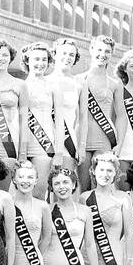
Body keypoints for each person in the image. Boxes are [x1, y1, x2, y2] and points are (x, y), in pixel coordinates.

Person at [77, 35, 123, 191]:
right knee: (83, 186)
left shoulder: (115, 84)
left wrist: (119, 144)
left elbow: (122, 117)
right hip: (82, 137)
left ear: (111, 54)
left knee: (101, 185)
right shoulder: (78, 80)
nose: (103, 54)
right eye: (99, 50)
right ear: (91, 50)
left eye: (107, 51)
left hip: (104, 137)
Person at [0, 39, 24, 187]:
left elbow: (23, 120)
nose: (0, 58)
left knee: (3, 189)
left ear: (11, 58)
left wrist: (23, 152)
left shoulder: (20, 84)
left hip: (8, 139)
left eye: (4, 55)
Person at [22, 41, 58, 197]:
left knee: (39, 190)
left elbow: (59, 120)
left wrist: (59, 151)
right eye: (36, 59)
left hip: (44, 143)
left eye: (44, 59)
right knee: (19, 189)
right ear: (27, 61)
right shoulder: (20, 85)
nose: (40, 63)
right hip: (21, 144)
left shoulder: (53, 86)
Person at [48, 37, 82, 179]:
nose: (67, 58)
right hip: (45, 139)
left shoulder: (78, 84)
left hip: (69, 142)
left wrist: (81, 146)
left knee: (65, 186)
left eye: (71, 55)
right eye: (64, 53)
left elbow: (81, 119)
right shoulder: (45, 81)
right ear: (55, 54)